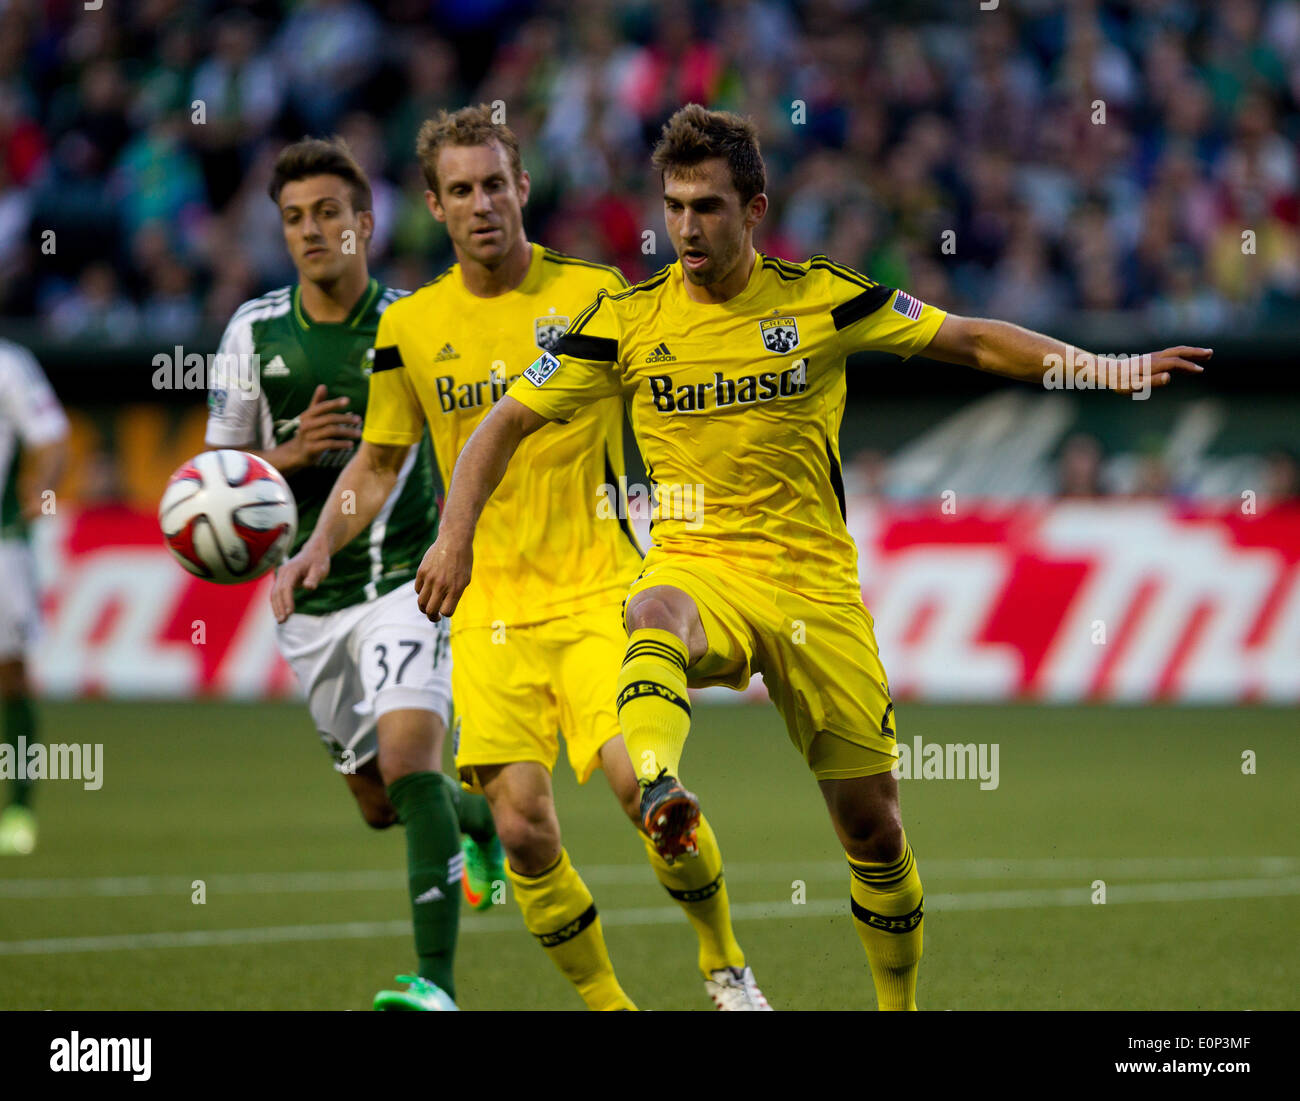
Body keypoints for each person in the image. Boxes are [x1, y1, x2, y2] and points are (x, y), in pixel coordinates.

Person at [413, 104, 1211, 1010]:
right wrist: (455, 533)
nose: (685, 227)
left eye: (706, 206)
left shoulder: (820, 298)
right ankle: (663, 781)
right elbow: (504, 422)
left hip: (815, 589)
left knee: (873, 829)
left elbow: (972, 337)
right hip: (698, 561)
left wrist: (1102, 370)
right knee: (652, 610)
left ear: (754, 209)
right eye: (672, 206)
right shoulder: (625, 320)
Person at [272, 106, 766, 1011]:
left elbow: (679, 387)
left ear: (523, 187)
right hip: (488, 615)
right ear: (434, 205)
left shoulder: (595, 293)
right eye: (459, 190)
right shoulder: (412, 327)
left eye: (495, 184)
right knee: (524, 830)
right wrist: (316, 544)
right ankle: (613, 1006)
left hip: (601, 595)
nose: (481, 204)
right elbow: (378, 463)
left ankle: (726, 966)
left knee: (646, 790)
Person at [205, 136, 500, 1011]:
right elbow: (218, 475)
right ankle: (476, 819)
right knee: (383, 803)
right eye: (294, 218)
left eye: (328, 212)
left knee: (411, 762)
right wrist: (287, 450)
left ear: (365, 223)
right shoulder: (251, 332)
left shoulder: (416, 323)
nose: (310, 231)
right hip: (309, 602)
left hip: (411, 581)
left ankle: (436, 987)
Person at [0, 340, 69, 856]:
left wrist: (40, 489)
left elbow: (52, 439)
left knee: (10, 675)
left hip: (2, 545)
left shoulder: (10, 364)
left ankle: (18, 808)